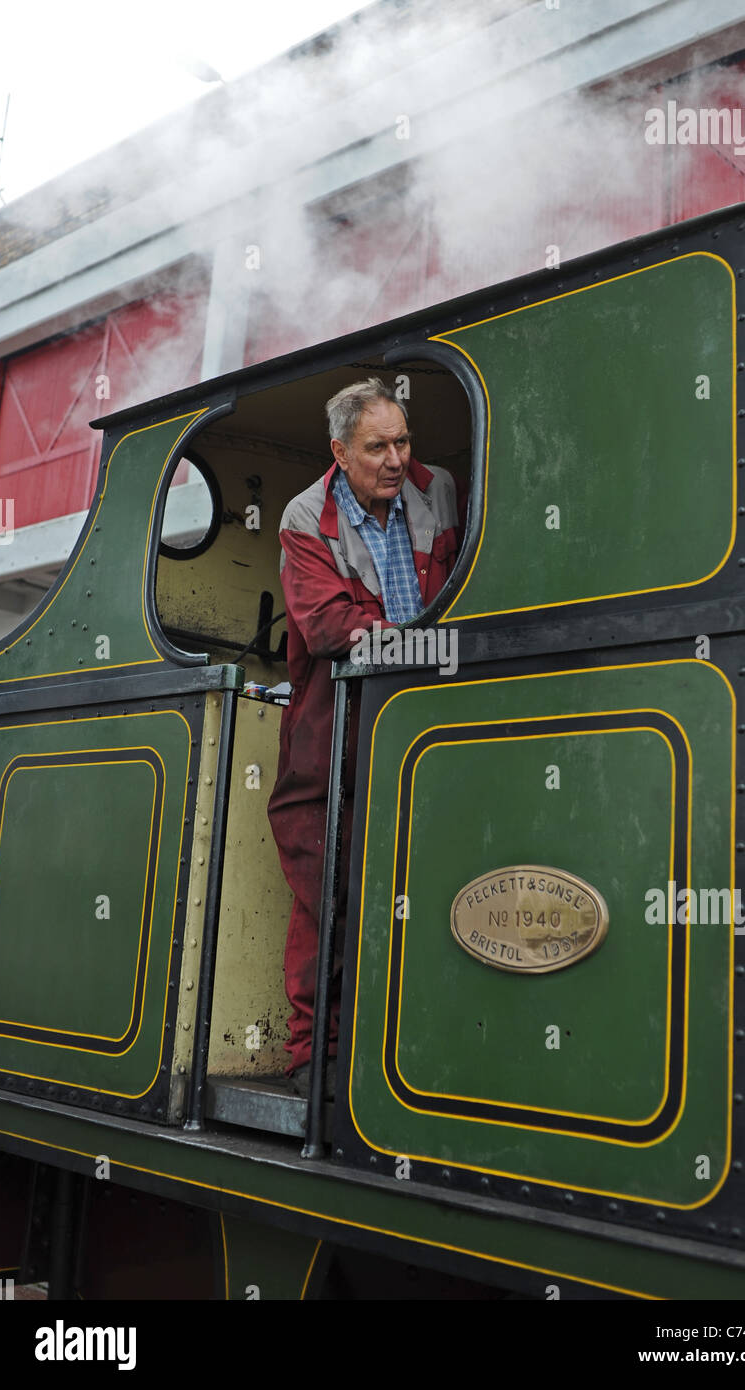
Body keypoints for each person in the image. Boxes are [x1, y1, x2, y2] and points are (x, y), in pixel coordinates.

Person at [267, 377, 464, 1096]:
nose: (394, 459)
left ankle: (403, 1049)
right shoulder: (302, 516)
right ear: (340, 453)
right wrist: (428, 647)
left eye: (402, 441)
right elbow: (326, 628)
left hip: (429, 735)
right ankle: (312, 1058)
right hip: (335, 740)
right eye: (377, 446)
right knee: (329, 893)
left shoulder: (438, 488)